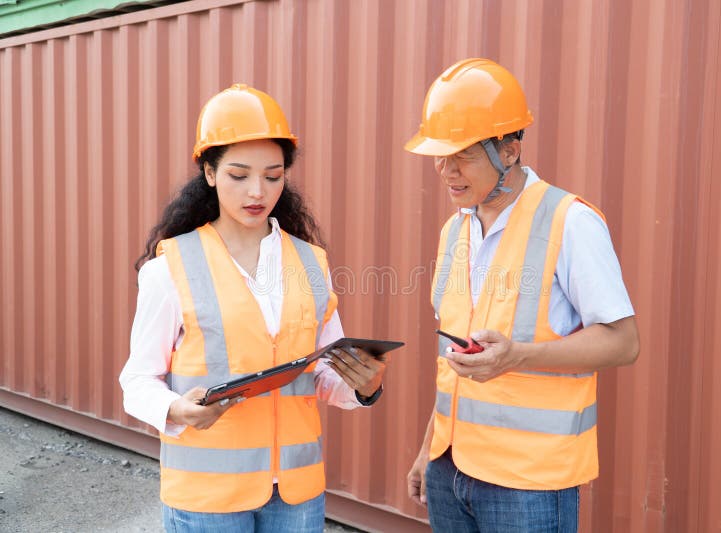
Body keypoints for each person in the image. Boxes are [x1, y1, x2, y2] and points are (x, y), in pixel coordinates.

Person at [119, 84, 387, 533]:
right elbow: (136, 381)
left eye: (273, 175)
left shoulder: (309, 262)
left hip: (297, 494)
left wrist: (364, 385)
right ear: (209, 172)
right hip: (208, 498)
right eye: (238, 175)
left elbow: (322, 374)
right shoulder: (172, 268)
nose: (257, 192)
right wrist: (176, 410)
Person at [404, 58, 640, 532]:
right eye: (440, 155)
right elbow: (456, 357)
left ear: (509, 150)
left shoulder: (570, 222)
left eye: (463, 155)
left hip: (529, 482)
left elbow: (623, 342)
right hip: (450, 469)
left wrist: (516, 357)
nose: (446, 171)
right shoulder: (456, 230)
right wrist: (429, 449)